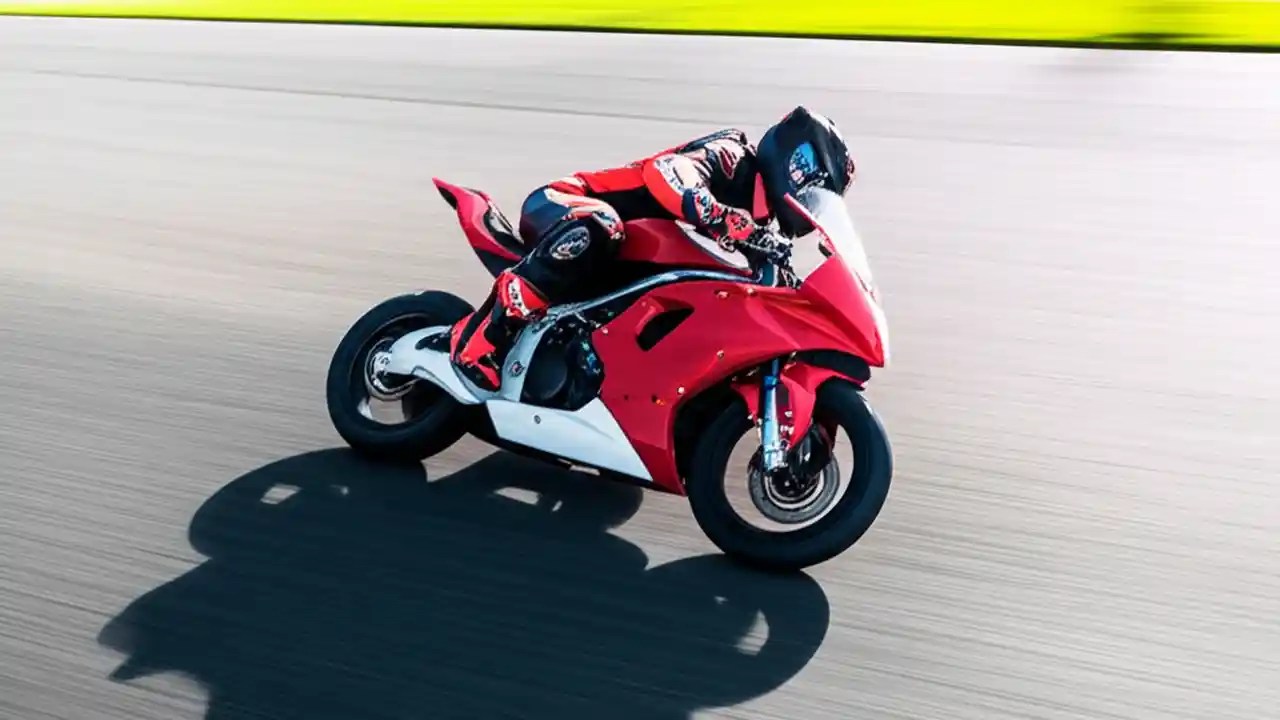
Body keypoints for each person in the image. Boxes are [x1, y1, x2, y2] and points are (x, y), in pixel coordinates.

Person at [449, 105, 856, 392]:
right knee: (601, 226)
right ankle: (481, 339)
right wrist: (717, 214)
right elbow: (668, 172)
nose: (813, 204)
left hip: (617, 265)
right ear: (798, 164)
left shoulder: (758, 226)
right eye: (817, 191)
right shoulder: (733, 157)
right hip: (566, 204)